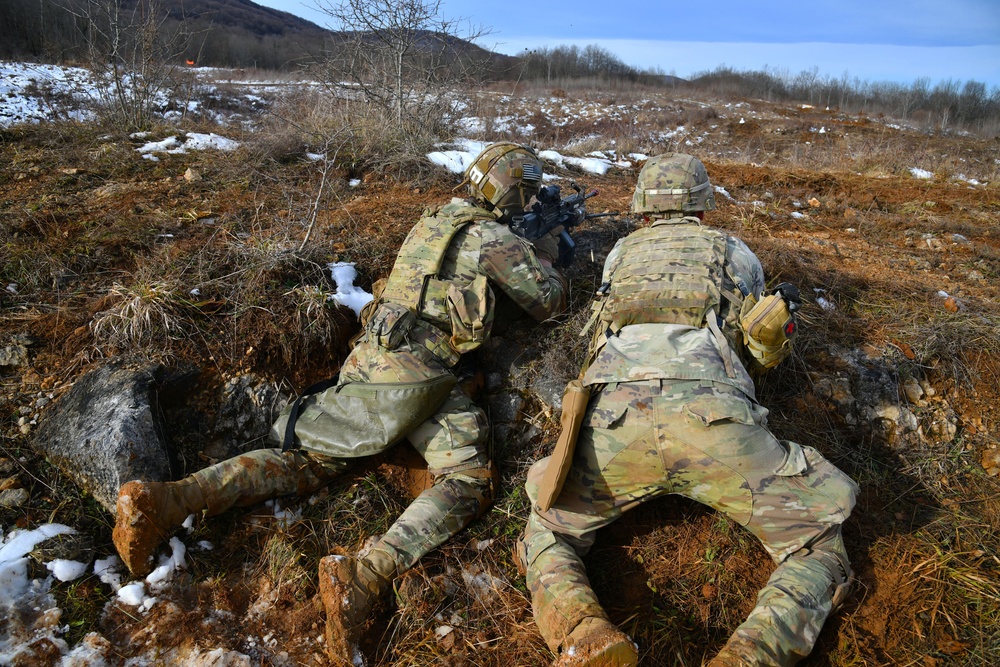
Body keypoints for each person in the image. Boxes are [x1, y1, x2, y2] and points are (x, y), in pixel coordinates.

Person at [112, 142, 567, 664]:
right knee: (469, 478)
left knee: (305, 460)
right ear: (518, 191)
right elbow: (549, 301)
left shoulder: (434, 220)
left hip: (369, 359)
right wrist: (548, 251)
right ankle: (365, 573)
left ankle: (168, 499)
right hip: (418, 376)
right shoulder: (495, 238)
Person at [516, 153, 858, 667]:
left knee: (547, 531)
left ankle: (580, 629)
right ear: (702, 206)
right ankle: (752, 653)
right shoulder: (735, 251)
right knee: (816, 546)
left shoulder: (621, 253)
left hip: (612, 420)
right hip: (715, 422)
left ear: (642, 209)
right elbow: (761, 354)